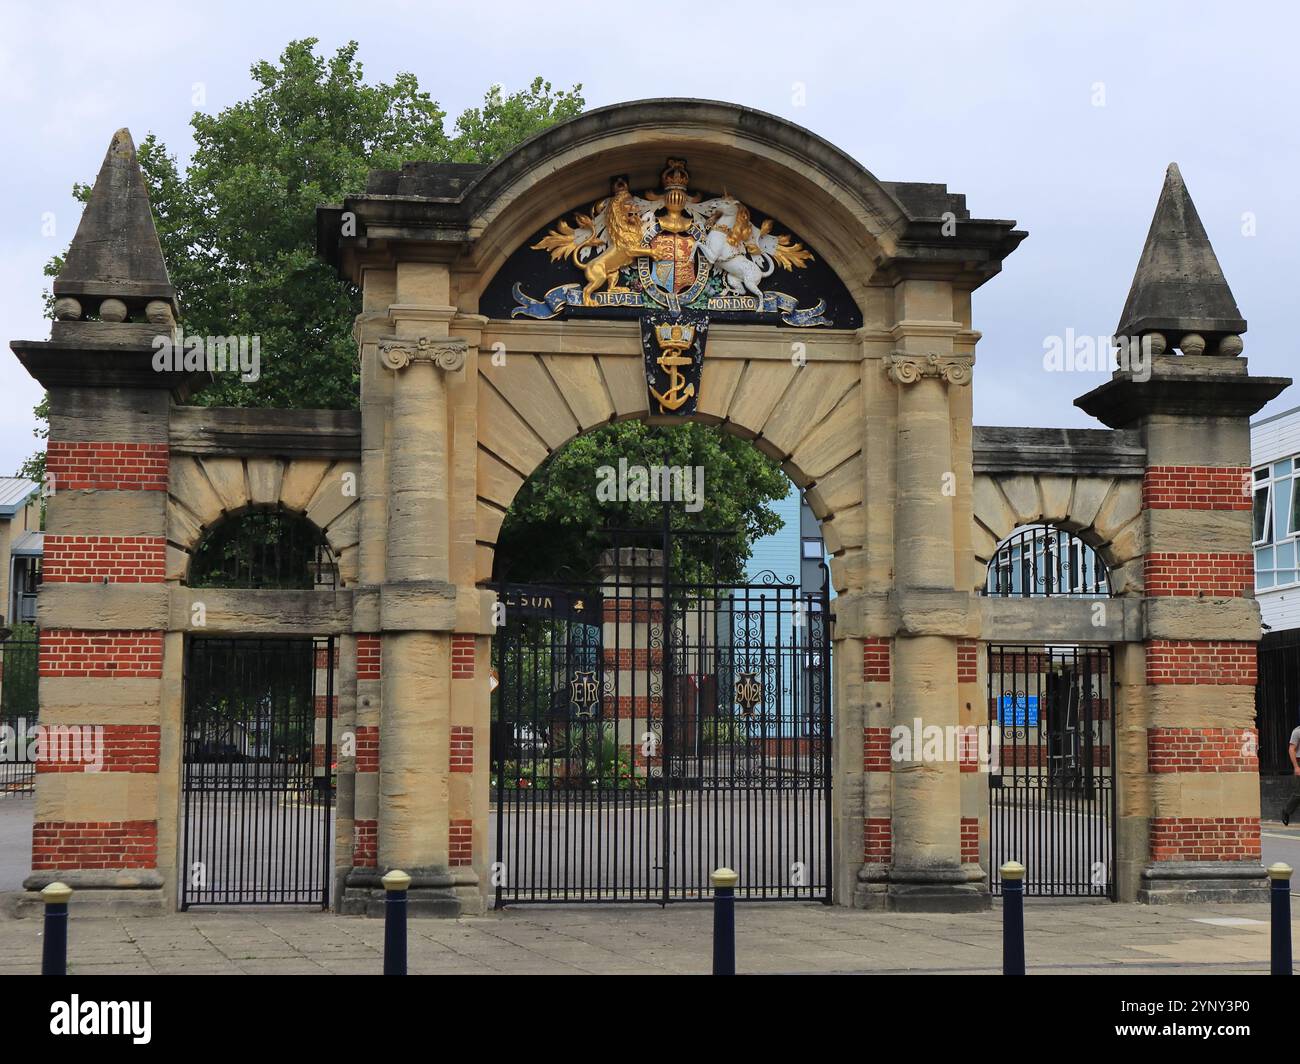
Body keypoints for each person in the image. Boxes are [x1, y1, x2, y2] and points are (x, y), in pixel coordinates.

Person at [1284, 723, 1300, 826]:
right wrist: (1296, 767)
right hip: (1299, 761)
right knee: (1298, 793)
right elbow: (1291, 749)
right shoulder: (1297, 731)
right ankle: (1286, 811)